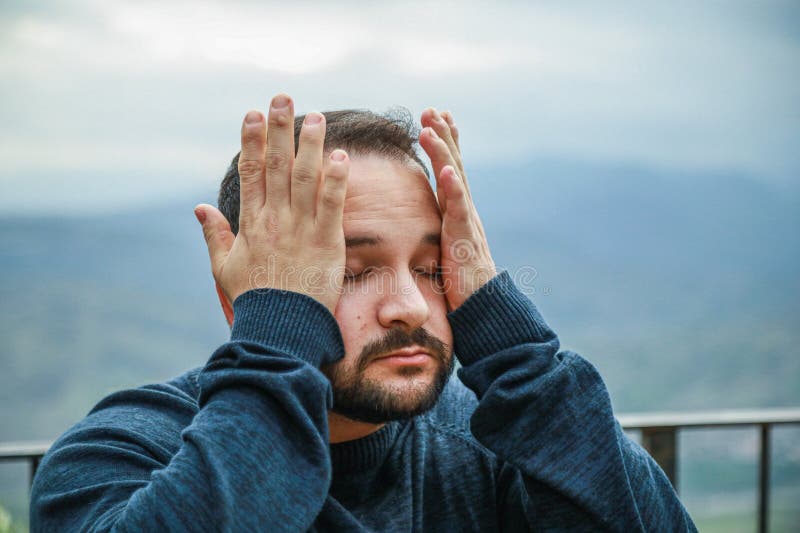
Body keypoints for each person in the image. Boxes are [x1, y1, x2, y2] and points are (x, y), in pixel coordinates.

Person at [30, 93, 697, 532]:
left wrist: (514, 344)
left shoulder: (498, 443)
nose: (409, 305)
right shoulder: (118, 457)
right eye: (347, 272)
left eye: (435, 269)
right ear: (245, 297)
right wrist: (277, 338)